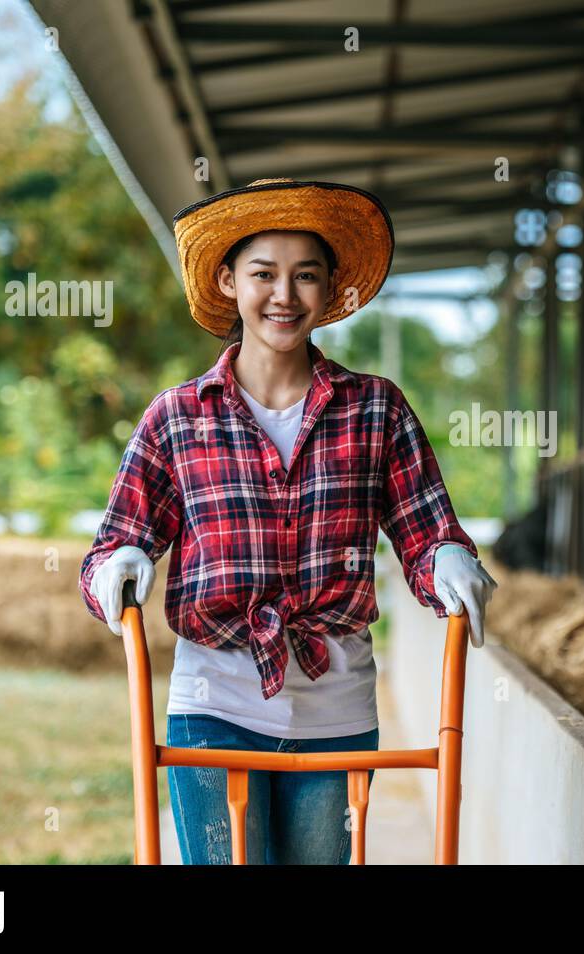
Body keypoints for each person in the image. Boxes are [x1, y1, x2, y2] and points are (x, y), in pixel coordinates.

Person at [78, 178, 497, 864]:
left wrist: (449, 557)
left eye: (306, 276)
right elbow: (114, 546)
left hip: (338, 714)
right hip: (212, 710)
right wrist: (120, 565)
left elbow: (428, 536)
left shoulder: (376, 410)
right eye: (263, 273)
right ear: (228, 281)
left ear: (331, 290)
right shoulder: (177, 417)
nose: (285, 295)